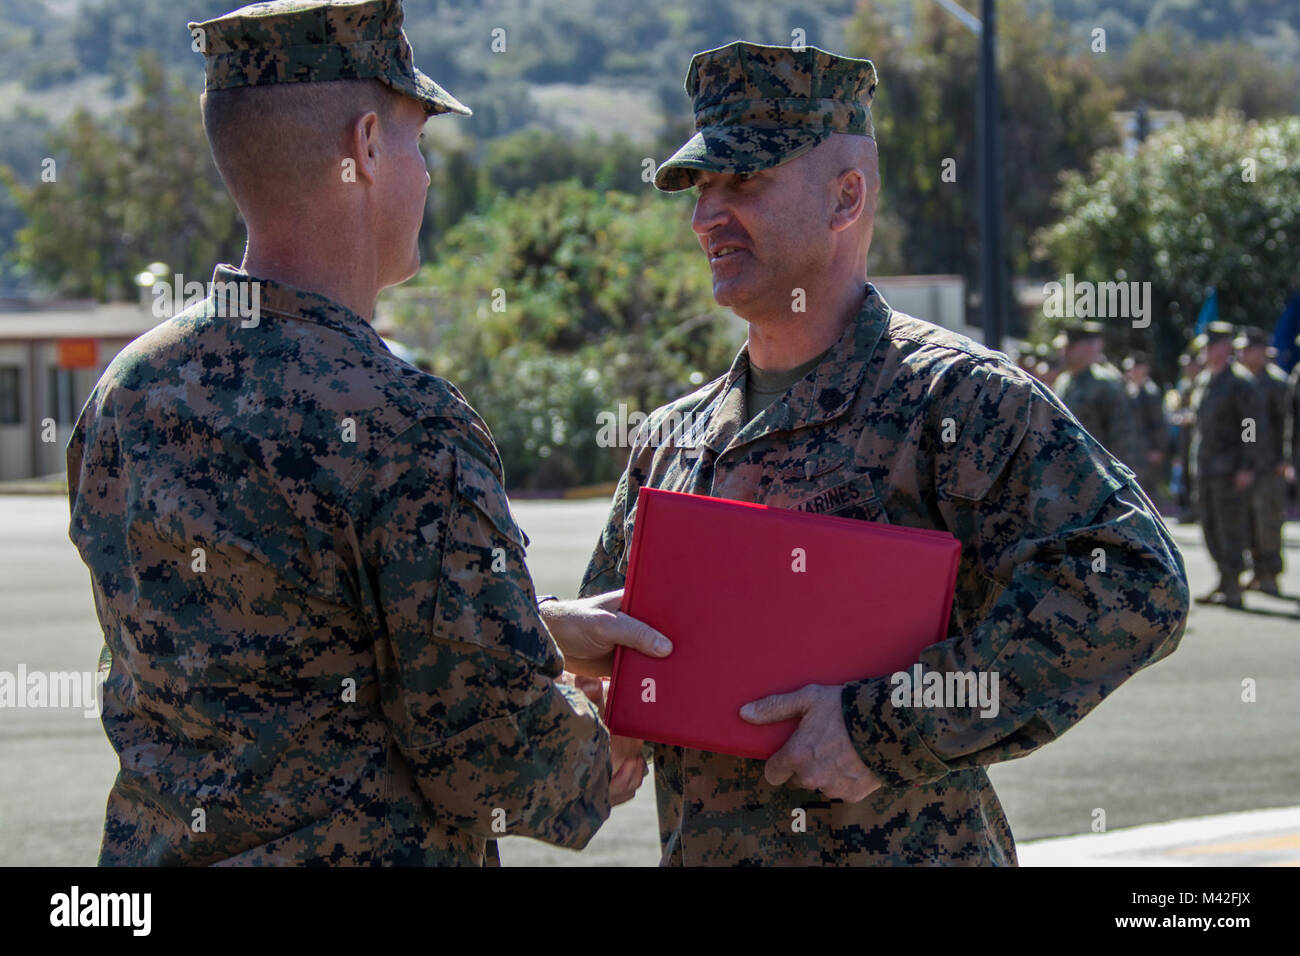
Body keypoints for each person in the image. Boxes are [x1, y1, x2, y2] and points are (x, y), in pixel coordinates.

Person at [66, 0, 662, 866]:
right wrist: (603, 742)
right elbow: (497, 761)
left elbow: (277, 648)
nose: (426, 176)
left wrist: (531, 629)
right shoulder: (403, 423)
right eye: (419, 143)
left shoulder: (129, 392)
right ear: (368, 147)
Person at [578, 41, 1189, 866]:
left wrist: (886, 727)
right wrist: (588, 690)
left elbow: (1136, 581)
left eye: (743, 182)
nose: (705, 216)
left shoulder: (956, 399)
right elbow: (609, 660)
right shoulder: (672, 438)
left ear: (846, 197)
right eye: (699, 188)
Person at [1188, 323, 1264, 608]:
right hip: (1205, 468)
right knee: (1209, 525)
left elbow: (1250, 426)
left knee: (1230, 526)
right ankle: (1223, 577)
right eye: (1205, 346)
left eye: (1212, 345)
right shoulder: (1205, 380)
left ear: (1225, 348)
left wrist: (1247, 465)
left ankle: (1233, 585)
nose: (1206, 351)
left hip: (1229, 468)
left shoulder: (1240, 382)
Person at [1237, 328, 1291, 595]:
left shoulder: (1277, 383)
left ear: (1261, 352)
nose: (1242, 354)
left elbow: (1289, 424)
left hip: (1271, 465)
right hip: (1248, 465)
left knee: (1268, 520)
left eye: (1248, 349)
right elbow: (1246, 426)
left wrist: (1285, 459)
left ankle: (1270, 574)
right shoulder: (1242, 381)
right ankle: (1257, 570)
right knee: (1248, 519)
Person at [1051, 323, 1137, 467]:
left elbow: (1122, 435)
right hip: (1066, 466)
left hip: (1096, 468)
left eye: (1069, 348)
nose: (1063, 353)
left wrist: (1115, 471)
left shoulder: (1105, 383)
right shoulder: (1063, 381)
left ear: (1086, 349)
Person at [1123, 352, 1168, 501]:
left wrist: (1158, 448)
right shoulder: (1129, 391)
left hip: (1147, 450)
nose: (1132, 372)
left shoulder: (1150, 392)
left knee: (1149, 493)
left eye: (1135, 368)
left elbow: (1158, 423)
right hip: (1133, 450)